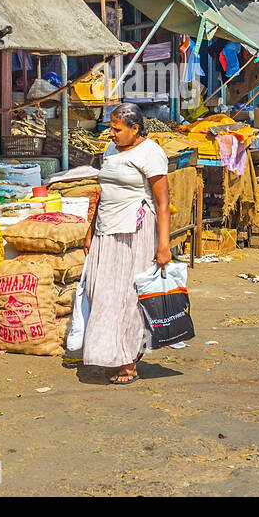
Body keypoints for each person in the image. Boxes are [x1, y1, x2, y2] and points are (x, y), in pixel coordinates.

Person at [81, 103, 171, 384]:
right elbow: (104, 192)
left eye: (117, 129)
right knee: (101, 293)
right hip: (107, 231)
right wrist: (90, 230)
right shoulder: (110, 150)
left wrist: (164, 245)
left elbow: (163, 203)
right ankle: (112, 353)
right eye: (111, 127)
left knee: (128, 298)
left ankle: (129, 362)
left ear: (135, 128)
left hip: (135, 232)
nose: (112, 133)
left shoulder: (150, 153)